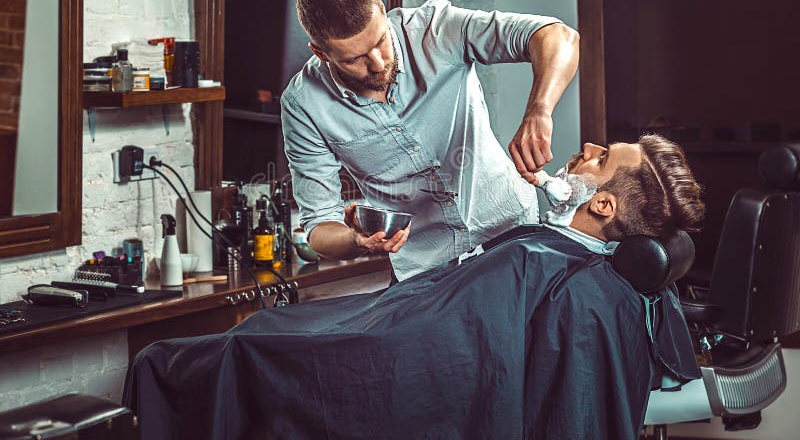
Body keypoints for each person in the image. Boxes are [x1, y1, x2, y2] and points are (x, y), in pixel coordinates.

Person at [124, 134, 705, 440]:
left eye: (602, 160)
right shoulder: (566, 257)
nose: (590, 150)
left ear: (602, 205)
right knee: (256, 331)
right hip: (391, 324)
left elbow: (425, 346)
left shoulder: (549, 267)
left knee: (180, 360)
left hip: (379, 351)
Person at [281, 0, 580, 281]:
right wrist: (355, 240)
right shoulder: (303, 104)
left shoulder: (435, 29)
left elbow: (558, 36)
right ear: (320, 52)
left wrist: (539, 110)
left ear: (381, 8)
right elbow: (320, 226)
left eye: (381, 40)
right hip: (424, 270)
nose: (378, 64)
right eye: (354, 59)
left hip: (511, 234)